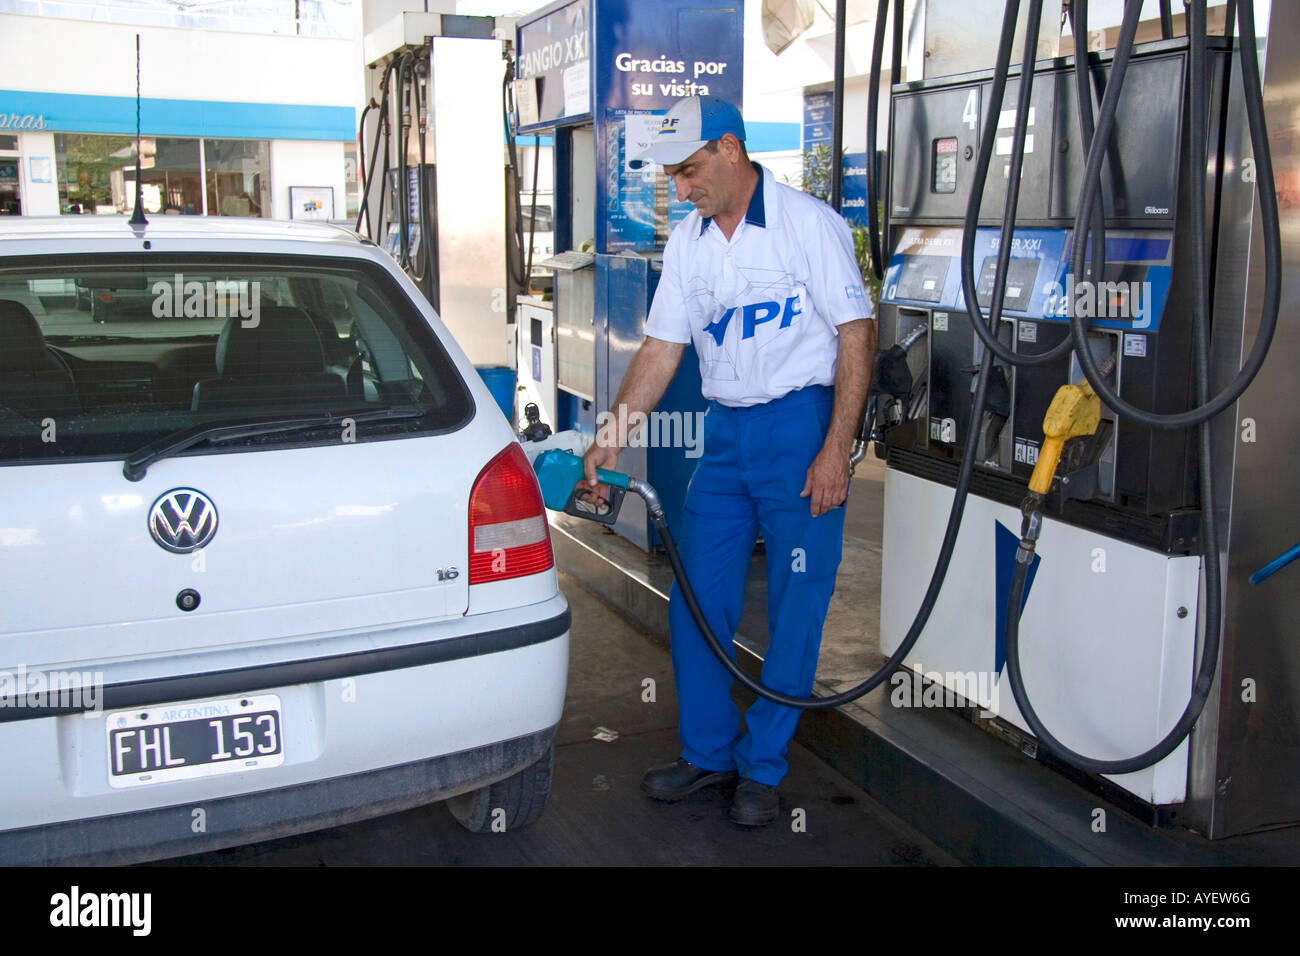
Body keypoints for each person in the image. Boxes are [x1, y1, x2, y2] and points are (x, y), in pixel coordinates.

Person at [582, 95, 876, 826]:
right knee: (698, 596)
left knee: (795, 600)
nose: (680, 190)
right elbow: (661, 346)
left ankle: (764, 768)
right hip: (725, 434)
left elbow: (856, 333)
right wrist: (613, 430)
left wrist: (837, 448)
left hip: (800, 427)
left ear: (731, 148)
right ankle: (708, 754)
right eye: (673, 177)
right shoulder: (690, 244)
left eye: (689, 171)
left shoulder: (809, 225)